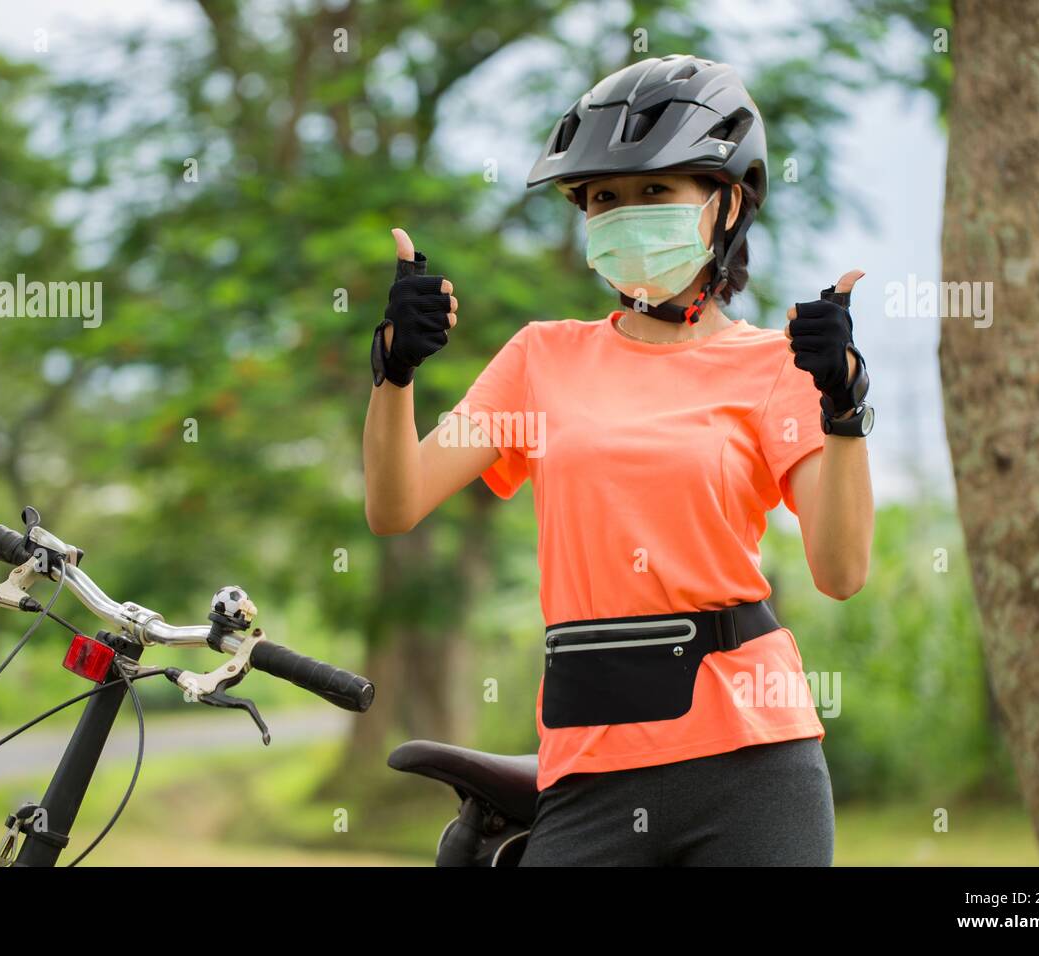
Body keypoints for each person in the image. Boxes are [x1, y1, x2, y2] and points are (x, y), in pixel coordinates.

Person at [362, 55, 874, 866]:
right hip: (588, 766)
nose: (625, 213)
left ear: (727, 203)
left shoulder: (778, 366)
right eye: (605, 197)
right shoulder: (541, 359)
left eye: (656, 191)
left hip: (754, 759)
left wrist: (843, 411)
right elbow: (394, 505)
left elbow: (841, 570)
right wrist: (395, 373)